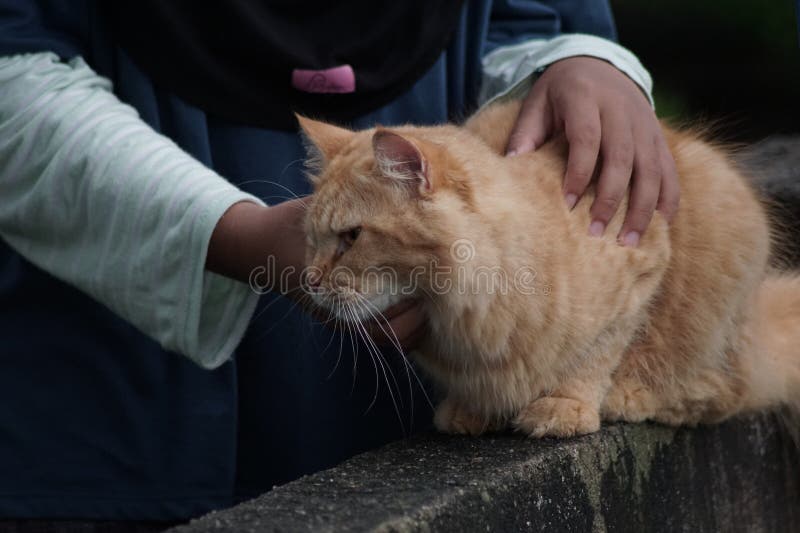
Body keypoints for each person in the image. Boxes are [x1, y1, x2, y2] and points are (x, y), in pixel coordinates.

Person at [0, 0, 678, 527]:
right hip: (103, 425)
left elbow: (535, 17)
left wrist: (583, 58)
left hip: (422, 409)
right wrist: (237, 236)